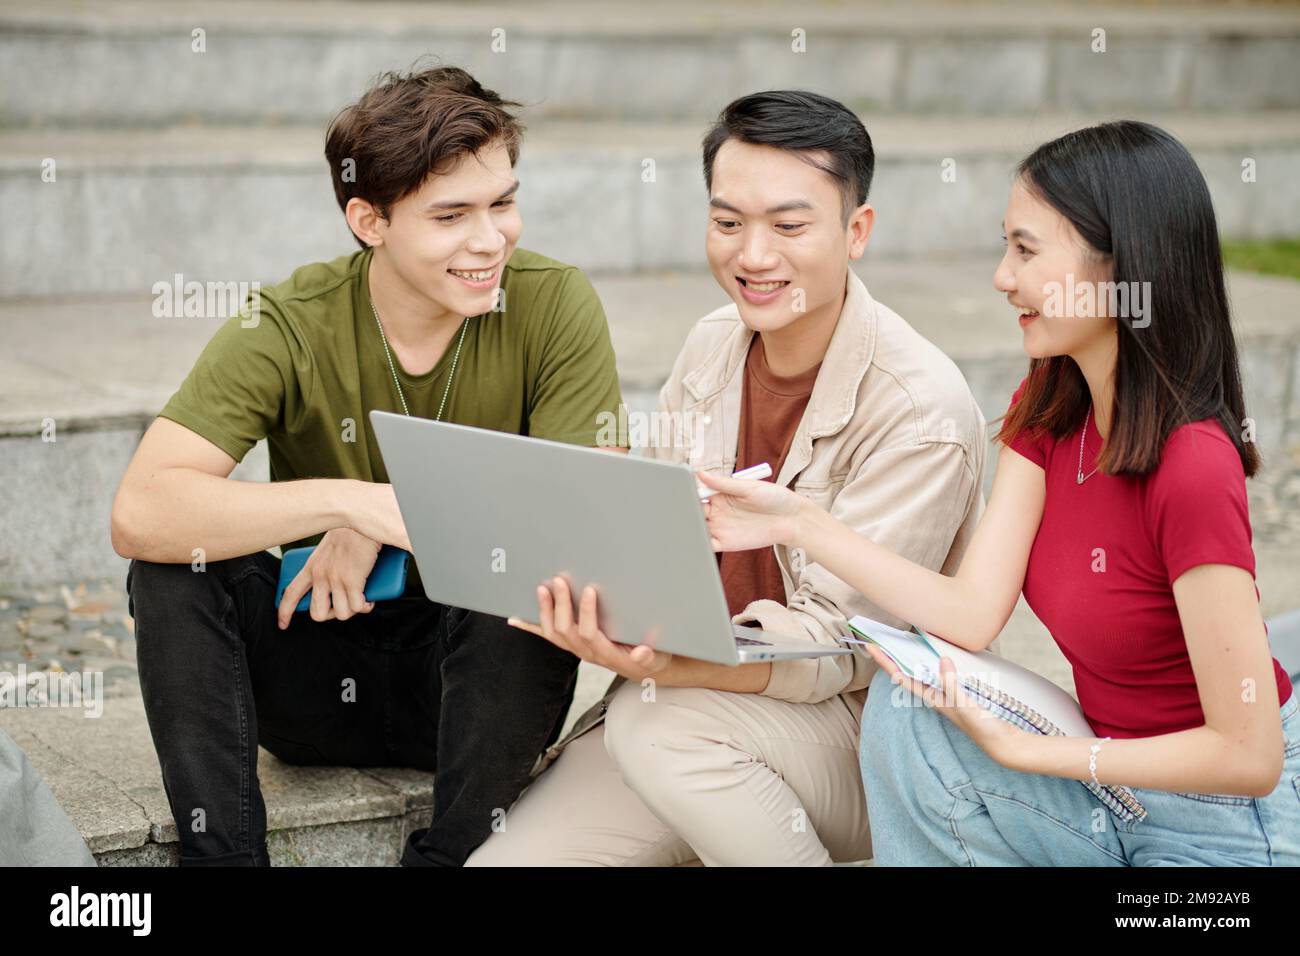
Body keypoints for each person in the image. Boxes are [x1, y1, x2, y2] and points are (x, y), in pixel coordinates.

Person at [701, 120, 1300, 866]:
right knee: (911, 700)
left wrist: (1035, 754)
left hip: (1227, 822)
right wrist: (798, 523)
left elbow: (1249, 757)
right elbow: (972, 614)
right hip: (1109, 787)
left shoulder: (1192, 466)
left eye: (1024, 249)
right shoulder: (1051, 405)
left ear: (1119, 267)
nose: (1001, 276)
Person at [110, 66, 626, 866]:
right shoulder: (286, 321)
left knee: (530, 582)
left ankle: (448, 860)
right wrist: (354, 505)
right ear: (369, 219)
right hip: (313, 663)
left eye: (503, 203)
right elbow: (141, 510)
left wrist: (399, 524)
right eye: (451, 215)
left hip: (472, 690)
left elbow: (587, 521)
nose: (490, 239)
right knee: (174, 568)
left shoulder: (554, 303)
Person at [467, 91, 987, 866]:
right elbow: (652, 527)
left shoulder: (922, 409)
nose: (753, 256)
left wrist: (669, 668)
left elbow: (837, 654)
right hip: (688, 706)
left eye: (789, 225)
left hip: (864, 741)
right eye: (728, 222)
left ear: (857, 231)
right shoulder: (714, 344)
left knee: (661, 726)